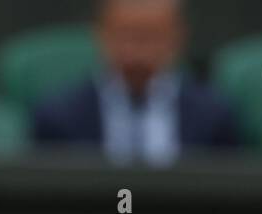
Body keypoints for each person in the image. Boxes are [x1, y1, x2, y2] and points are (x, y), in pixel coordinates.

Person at [32, 0, 240, 164]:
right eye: (125, 36)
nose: (136, 52)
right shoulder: (58, 118)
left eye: (150, 37)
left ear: (178, 37)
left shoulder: (213, 118)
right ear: (100, 35)